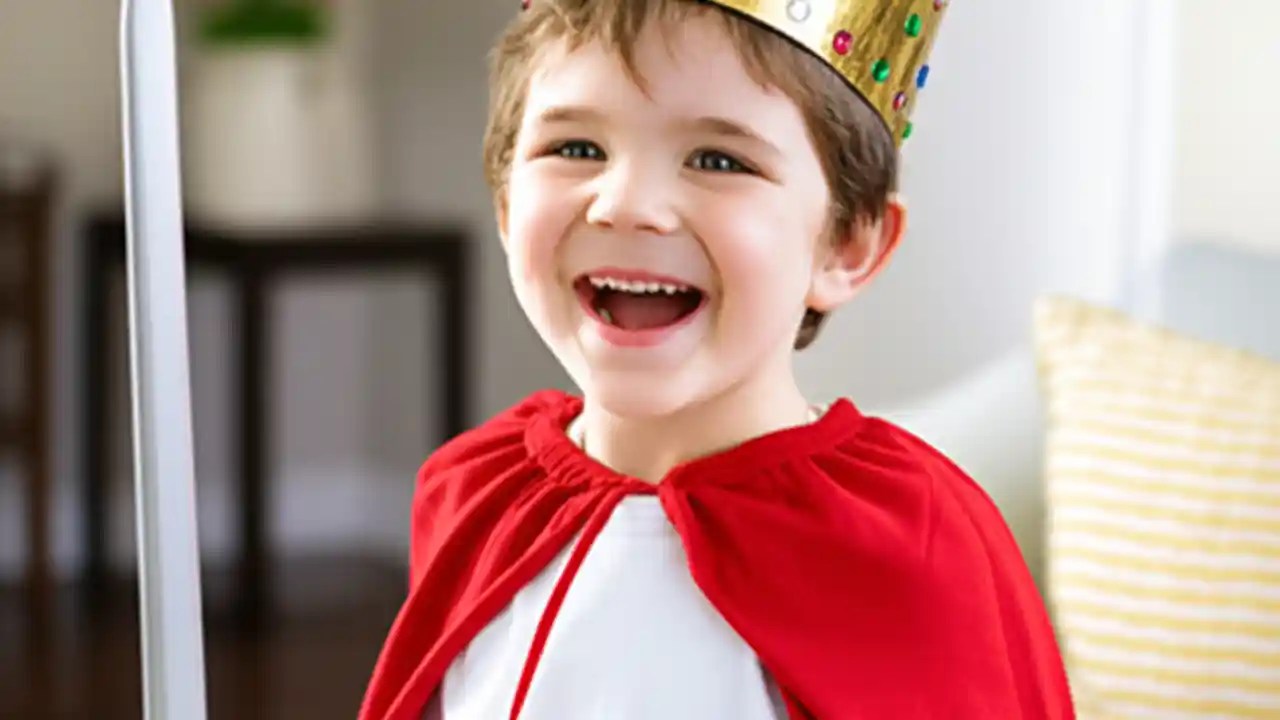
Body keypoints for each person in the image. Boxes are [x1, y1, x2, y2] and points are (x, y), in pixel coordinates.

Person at [360, 0, 1075, 718]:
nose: (627, 204)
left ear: (847, 246)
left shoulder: (913, 549)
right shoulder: (476, 493)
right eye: (577, 148)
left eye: (718, 160)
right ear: (507, 206)